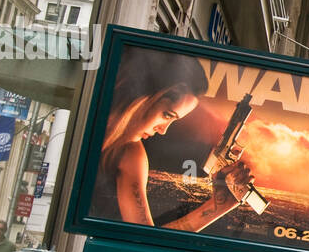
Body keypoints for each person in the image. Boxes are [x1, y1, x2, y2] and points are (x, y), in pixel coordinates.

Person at [95, 50, 253, 232]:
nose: (162, 130)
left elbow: (144, 242)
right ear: (144, 97)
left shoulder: (131, 155)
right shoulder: (124, 150)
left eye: (173, 120)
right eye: (166, 115)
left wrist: (217, 207)